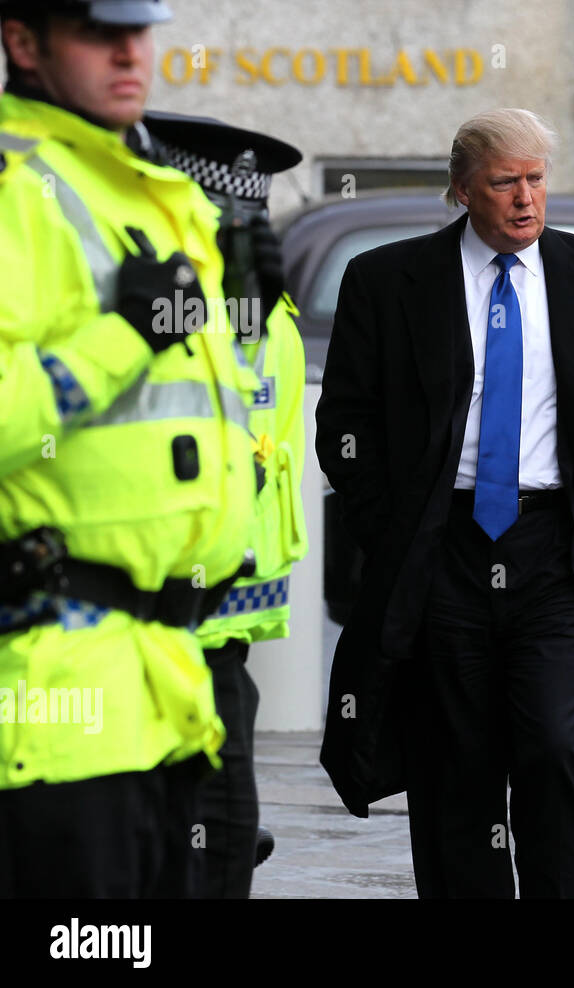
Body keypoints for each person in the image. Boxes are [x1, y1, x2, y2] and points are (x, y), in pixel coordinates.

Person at [317, 107, 574, 898]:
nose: (526, 199)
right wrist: (397, 531)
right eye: (505, 182)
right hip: (442, 553)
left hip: (558, 549)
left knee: (554, 746)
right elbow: (344, 427)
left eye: (537, 180)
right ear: (461, 191)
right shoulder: (387, 281)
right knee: (456, 768)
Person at [0, 0, 259, 897]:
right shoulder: (13, 183)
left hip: (167, 690)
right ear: (22, 41)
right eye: (95, 31)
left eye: (141, 29)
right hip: (55, 690)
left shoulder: (154, 189)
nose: (129, 52)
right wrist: (119, 335)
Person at [144, 110, 309, 898]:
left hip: (211, 599)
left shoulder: (246, 309)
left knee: (217, 807)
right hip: (193, 593)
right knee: (202, 798)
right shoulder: (220, 302)